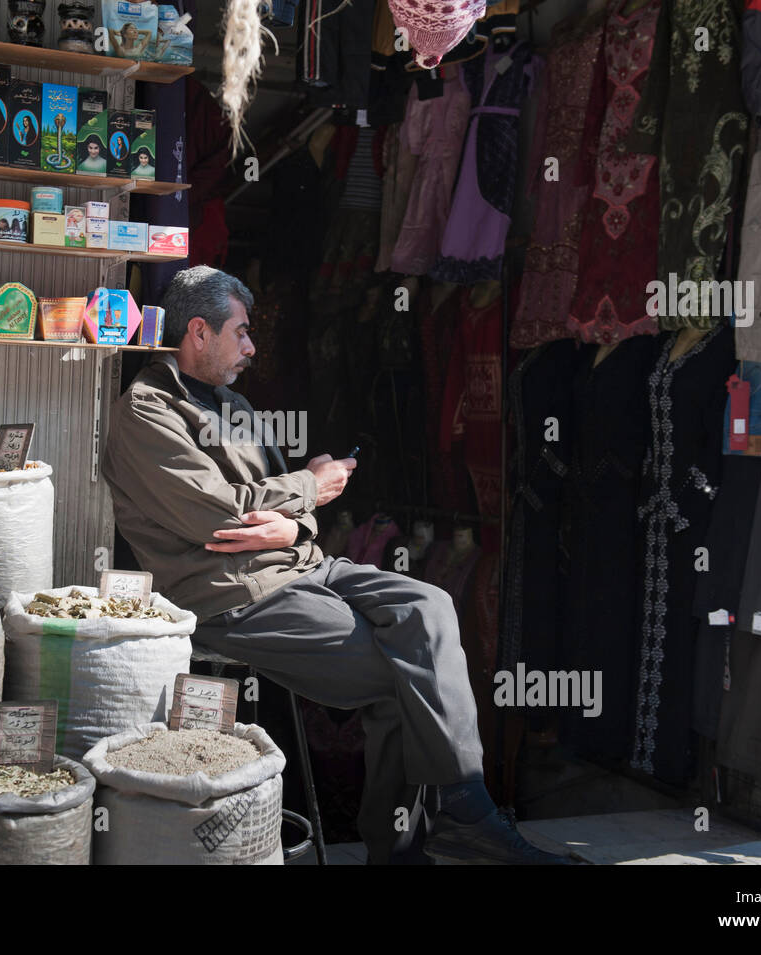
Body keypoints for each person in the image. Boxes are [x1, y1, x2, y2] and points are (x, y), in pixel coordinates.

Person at [103, 266, 572, 865]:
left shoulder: (234, 403)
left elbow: (286, 507)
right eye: (242, 333)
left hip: (301, 563)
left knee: (430, 605)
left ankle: (453, 815)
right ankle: (439, 831)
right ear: (199, 331)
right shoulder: (146, 413)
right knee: (407, 679)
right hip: (235, 594)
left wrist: (297, 517)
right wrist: (308, 486)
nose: (251, 347)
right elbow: (218, 518)